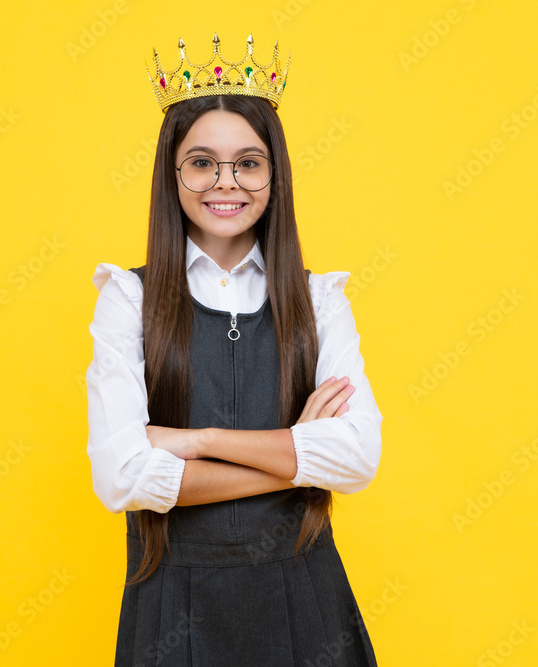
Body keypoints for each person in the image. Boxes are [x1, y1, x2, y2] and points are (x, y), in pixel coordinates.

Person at [86, 33, 383, 665]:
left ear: (274, 176)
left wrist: (197, 440)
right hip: (172, 607)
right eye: (202, 162)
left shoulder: (320, 301)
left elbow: (356, 457)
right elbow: (123, 475)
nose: (227, 182)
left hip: (306, 605)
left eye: (248, 162)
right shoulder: (127, 299)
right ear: (173, 174)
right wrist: (293, 453)